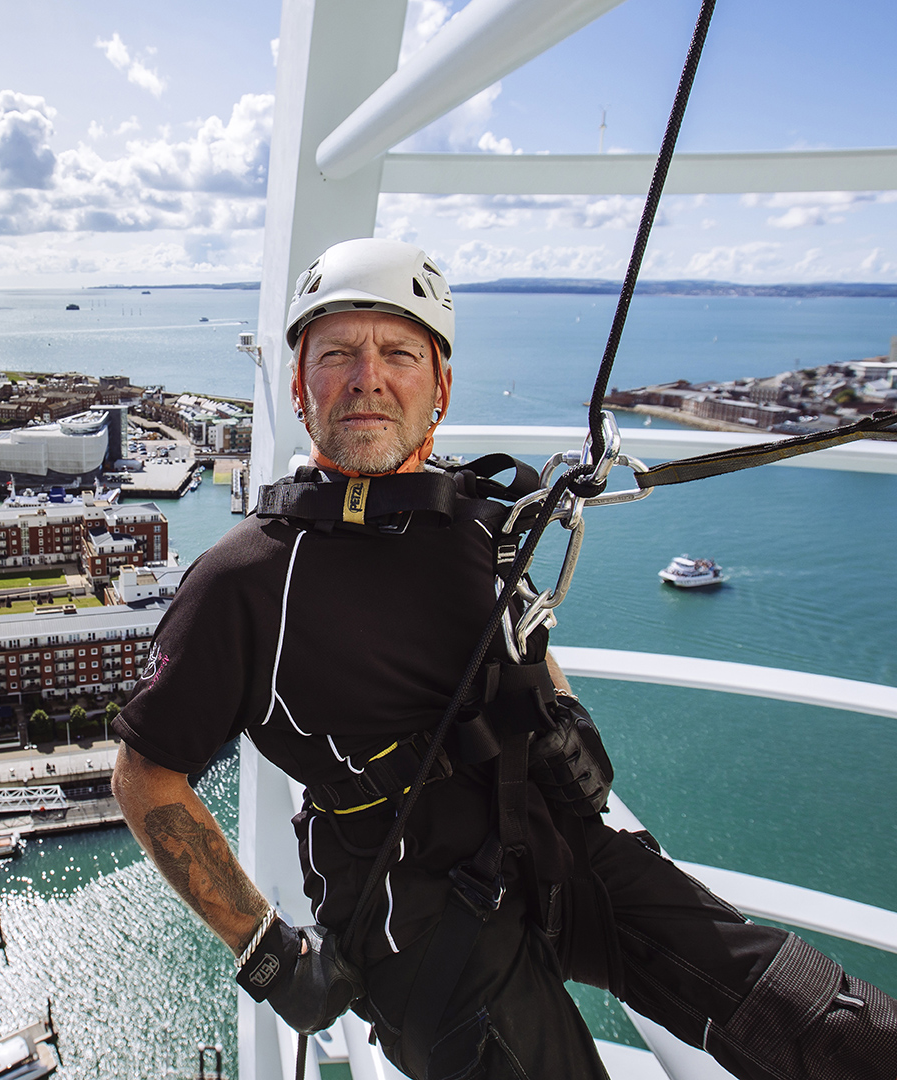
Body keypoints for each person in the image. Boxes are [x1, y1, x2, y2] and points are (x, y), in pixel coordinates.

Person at [113, 238, 897, 1080]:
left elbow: (524, 650)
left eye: (398, 354)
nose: (366, 377)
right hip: (411, 913)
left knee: (833, 1025)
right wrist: (267, 952)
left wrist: (566, 727)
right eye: (335, 354)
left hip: (554, 841)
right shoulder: (246, 579)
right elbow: (145, 774)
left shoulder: (482, 525)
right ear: (301, 389)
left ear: (440, 390)